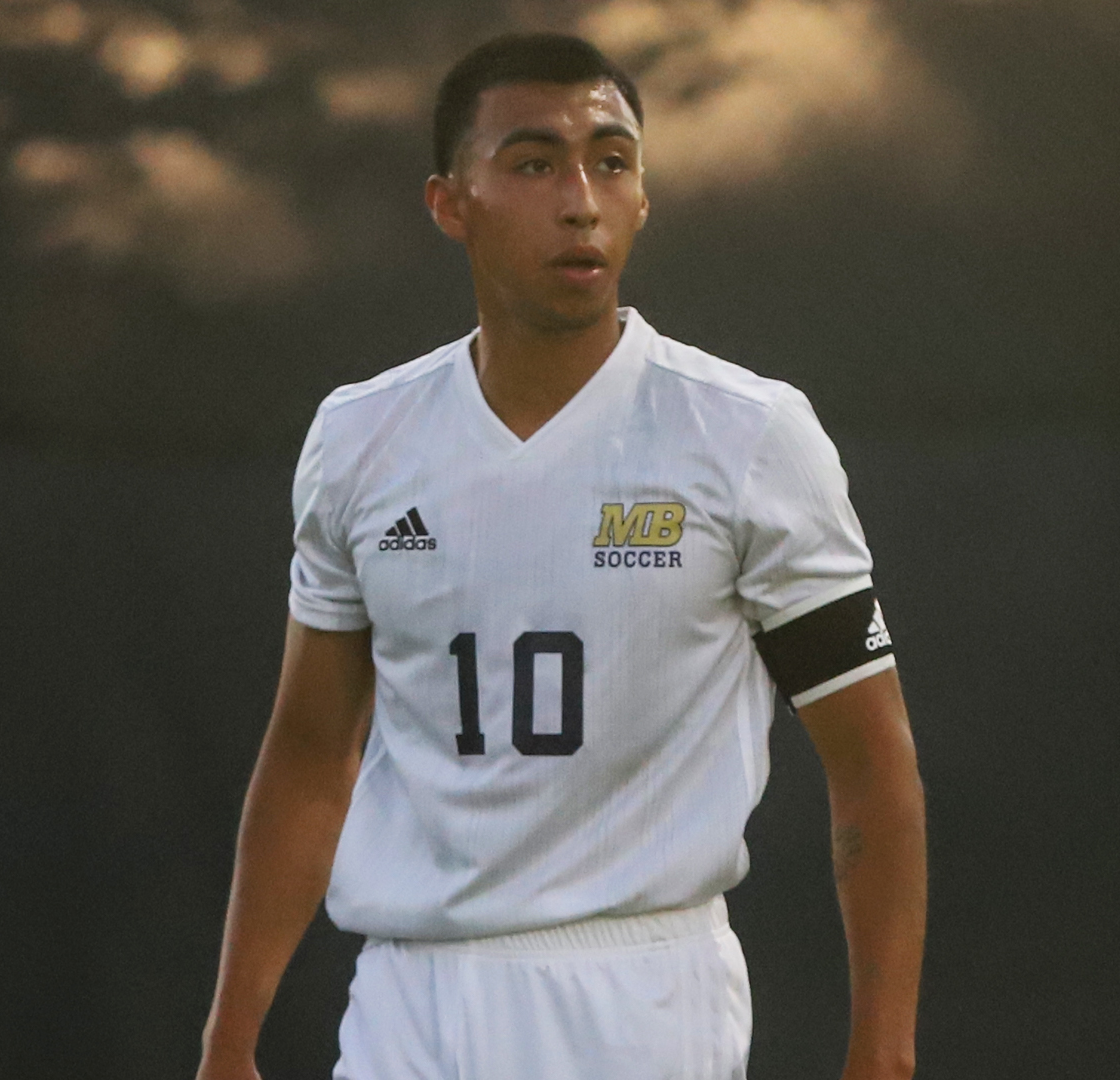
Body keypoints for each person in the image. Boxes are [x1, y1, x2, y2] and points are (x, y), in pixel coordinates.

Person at [196, 32, 926, 1080]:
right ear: (453, 205)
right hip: (405, 998)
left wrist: (884, 1057)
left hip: (638, 993)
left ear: (640, 199)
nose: (580, 197)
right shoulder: (360, 439)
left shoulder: (747, 434)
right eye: (534, 163)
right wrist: (229, 1038)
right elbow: (312, 753)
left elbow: (871, 763)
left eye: (611, 161)